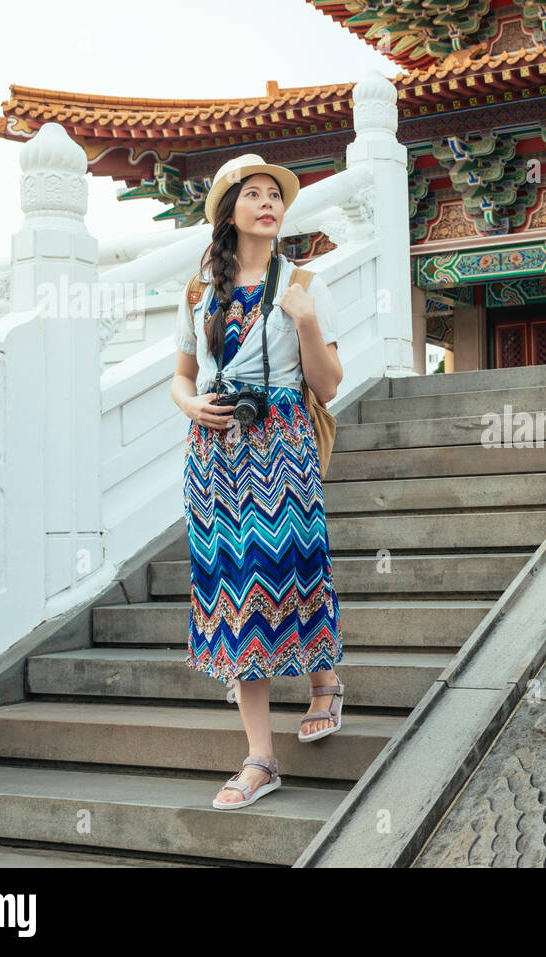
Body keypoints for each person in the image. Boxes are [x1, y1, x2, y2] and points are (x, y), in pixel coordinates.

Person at [169, 153, 345, 809]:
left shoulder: (303, 281)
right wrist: (189, 403)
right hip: (214, 454)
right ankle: (260, 758)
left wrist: (305, 320)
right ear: (230, 209)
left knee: (295, 566)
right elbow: (182, 374)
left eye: (277, 194)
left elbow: (328, 384)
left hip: (283, 444)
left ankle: (324, 678)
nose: (269, 203)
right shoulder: (199, 290)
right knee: (233, 594)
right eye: (255, 194)